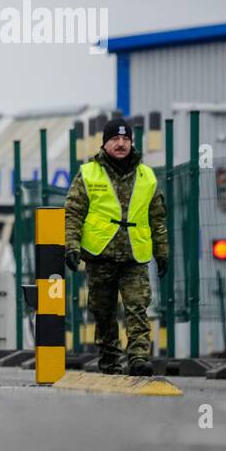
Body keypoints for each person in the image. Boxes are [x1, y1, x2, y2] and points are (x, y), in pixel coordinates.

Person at [64, 118, 167, 376]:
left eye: (125, 139)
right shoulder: (88, 173)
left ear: (131, 142)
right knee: (103, 311)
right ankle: (110, 359)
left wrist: (162, 251)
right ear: (105, 143)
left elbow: (157, 218)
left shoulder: (147, 176)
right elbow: (73, 212)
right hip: (101, 254)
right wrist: (71, 245)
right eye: (115, 139)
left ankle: (138, 357)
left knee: (138, 306)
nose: (121, 144)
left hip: (135, 254)